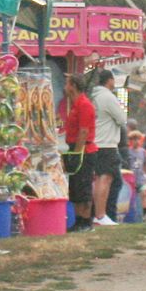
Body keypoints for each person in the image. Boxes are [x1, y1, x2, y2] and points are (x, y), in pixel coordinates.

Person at [88, 69, 128, 227]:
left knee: (99, 179)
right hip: (107, 143)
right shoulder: (108, 97)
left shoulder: (94, 96)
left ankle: (98, 214)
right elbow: (121, 118)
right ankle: (100, 214)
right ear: (110, 80)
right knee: (106, 178)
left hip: (96, 142)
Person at [61, 75, 97, 232]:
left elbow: (84, 131)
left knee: (84, 186)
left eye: (66, 84)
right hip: (74, 148)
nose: (64, 87)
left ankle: (86, 220)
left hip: (84, 150)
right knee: (75, 187)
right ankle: (78, 220)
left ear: (73, 86)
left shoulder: (84, 105)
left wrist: (76, 154)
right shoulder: (75, 105)